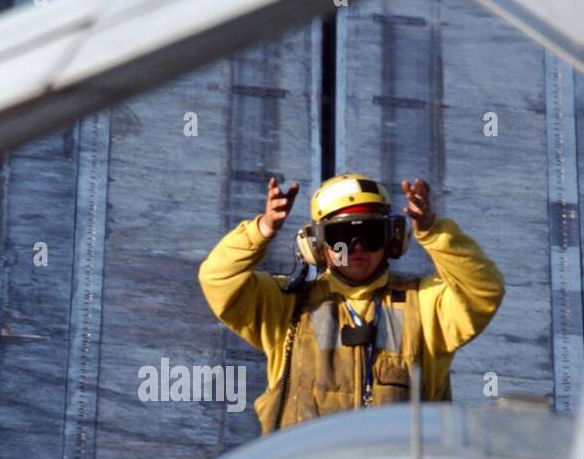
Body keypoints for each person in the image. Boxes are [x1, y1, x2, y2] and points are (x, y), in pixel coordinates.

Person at [199, 173, 504, 433]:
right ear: (316, 245)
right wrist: (261, 230)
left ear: (393, 238)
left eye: (370, 234)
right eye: (342, 237)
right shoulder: (288, 307)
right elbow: (217, 279)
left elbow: (483, 290)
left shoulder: (425, 307)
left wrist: (434, 231)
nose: (357, 247)